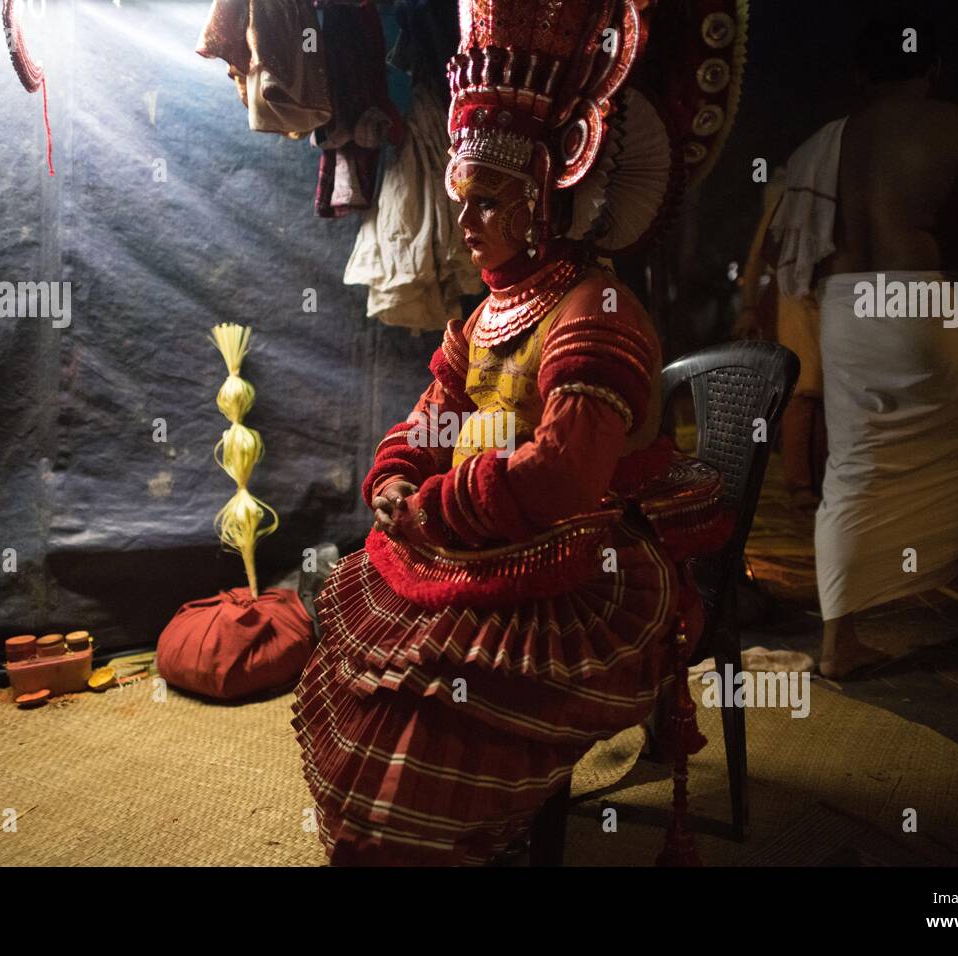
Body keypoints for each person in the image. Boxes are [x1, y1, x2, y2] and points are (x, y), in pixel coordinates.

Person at [290, 0, 744, 864]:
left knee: (431, 688)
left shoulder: (596, 310)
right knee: (374, 647)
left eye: (489, 201)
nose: (465, 223)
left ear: (545, 197)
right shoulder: (485, 315)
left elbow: (565, 476)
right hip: (489, 539)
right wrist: (396, 477)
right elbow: (434, 420)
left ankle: (441, 832)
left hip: (589, 562)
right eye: (462, 199)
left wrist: (436, 509)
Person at [780, 18, 958, 678]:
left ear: (859, 77)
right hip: (926, 302)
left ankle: (838, 640)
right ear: (932, 72)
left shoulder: (821, 144)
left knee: (852, 467)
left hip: (849, 309)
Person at [736, 168, 828, 515]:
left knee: (824, 392)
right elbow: (757, 257)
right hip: (792, 302)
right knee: (802, 391)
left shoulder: (830, 205)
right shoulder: (783, 208)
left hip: (824, 301)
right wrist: (748, 307)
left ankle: (820, 481)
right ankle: (800, 484)